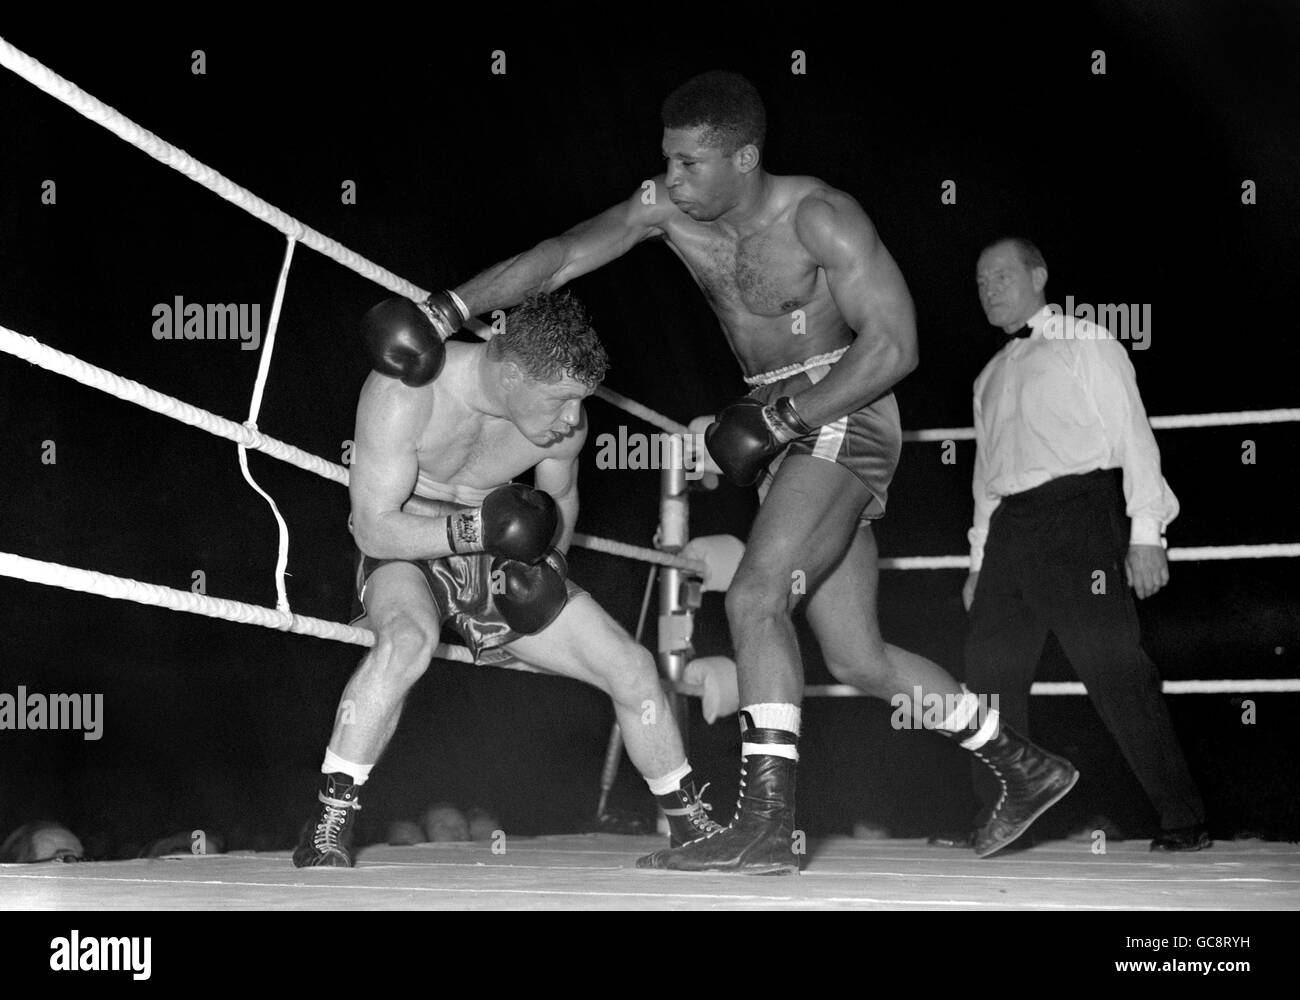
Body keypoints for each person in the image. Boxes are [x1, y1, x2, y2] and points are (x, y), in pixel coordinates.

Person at [403, 71, 1077, 872]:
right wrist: (444, 310)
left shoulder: (821, 218)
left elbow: (896, 346)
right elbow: (563, 256)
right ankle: (1024, 765)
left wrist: (788, 418)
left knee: (756, 595)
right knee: (857, 656)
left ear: (746, 158)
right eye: (670, 161)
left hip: (843, 410)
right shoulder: (666, 209)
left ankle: (764, 823)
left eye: (690, 164)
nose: (671, 179)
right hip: (777, 423)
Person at [293, 292, 722, 868]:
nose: (572, 420)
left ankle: (689, 824)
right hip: (406, 544)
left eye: (579, 404)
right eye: (562, 402)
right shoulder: (405, 393)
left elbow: (561, 500)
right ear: (513, 374)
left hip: (499, 553)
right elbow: (373, 530)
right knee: (406, 643)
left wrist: (548, 566)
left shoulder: (564, 419)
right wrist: (476, 528)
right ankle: (328, 822)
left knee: (632, 665)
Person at [959, 236, 1210, 852]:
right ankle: (1004, 817)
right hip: (1009, 533)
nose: (989, 289)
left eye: (1001, 276)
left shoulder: (1087, 339)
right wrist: (976, 561)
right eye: (981, 282)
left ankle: (1183, 817)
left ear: (1039, 275)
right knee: (987, 676)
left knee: (1114, 669)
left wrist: (1147, 532)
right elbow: (985, 479)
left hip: (1080, 515)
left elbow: (1133, 434)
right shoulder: (987, 376)